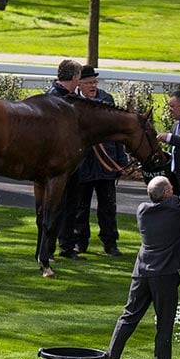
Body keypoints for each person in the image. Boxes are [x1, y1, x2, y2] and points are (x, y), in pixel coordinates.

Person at [102, 172, 180, 359]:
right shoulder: (174, 208)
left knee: (128, 318)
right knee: (164, 325)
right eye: (171, 188)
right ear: (167, 193)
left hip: (142, 272)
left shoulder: (142, 210)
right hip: (164, 276)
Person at [73, 66, 125, 257]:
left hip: (107, 163)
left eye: (94, 82)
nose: (93, 86)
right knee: (80, 206)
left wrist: (120, 160)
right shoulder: (74, 102)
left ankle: (110, 243)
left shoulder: (106, 99)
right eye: (89, 83)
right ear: (79, 84)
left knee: (108, 207)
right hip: (83, 163)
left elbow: (117, 130)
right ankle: (80, 242)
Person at [46, 60, 85, 259]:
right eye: (79, 77)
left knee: (71, 205)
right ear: (74, 78)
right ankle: (48, 249)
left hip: (72, 162)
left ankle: (66, 247)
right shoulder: (54, 99)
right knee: (56, 206)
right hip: (57, 163)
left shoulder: (70, 97)